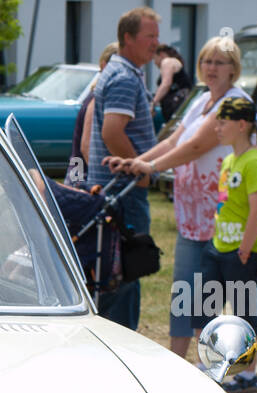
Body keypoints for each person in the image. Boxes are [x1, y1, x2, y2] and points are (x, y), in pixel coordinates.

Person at [112, 35, 257, 380]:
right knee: (236, 287)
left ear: (234, 69)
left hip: (220, 218)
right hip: (198, 214)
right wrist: (136, 162)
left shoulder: (233, 104)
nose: (211, 68)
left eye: (219, 62)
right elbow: (174, 140)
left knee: (207, 287)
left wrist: (151, 168)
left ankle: (196, 363)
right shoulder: (201, 99)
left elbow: (197, 147)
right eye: (206, 61)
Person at [86, 7, 161, 331]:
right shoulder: (124, 78)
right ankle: (121, 347)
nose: (156, 43)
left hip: (115, 191)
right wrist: (141, 173)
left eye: (157, 36)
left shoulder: (120, 72)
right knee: (125, 274)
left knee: (115, 276)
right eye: (150, 36)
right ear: (128, 38)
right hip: (123, 194)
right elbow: (112, 132)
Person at [194, 97, 257, 393]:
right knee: (204, 305)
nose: (216, 127)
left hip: (242, 251)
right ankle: (212, 363)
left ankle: (247, 374)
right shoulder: (229, 160)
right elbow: (225, 202)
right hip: (218, 245)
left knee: (244, 311)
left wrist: (245, 248)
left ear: (242, 125)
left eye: (222, 122)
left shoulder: (254, 161)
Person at [70, 42, 119, 186]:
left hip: (79, 168)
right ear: (104, 65)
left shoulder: (96, 95)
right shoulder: (95, 99)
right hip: (83, 173)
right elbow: (85, 146)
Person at [152, 44, 194, 125]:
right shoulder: (175, 62)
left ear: (160, 54)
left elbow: (166, 84)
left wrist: (153, 103)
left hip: (176, 110)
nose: (154, 62)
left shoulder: (167, 61)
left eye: (154, 58)